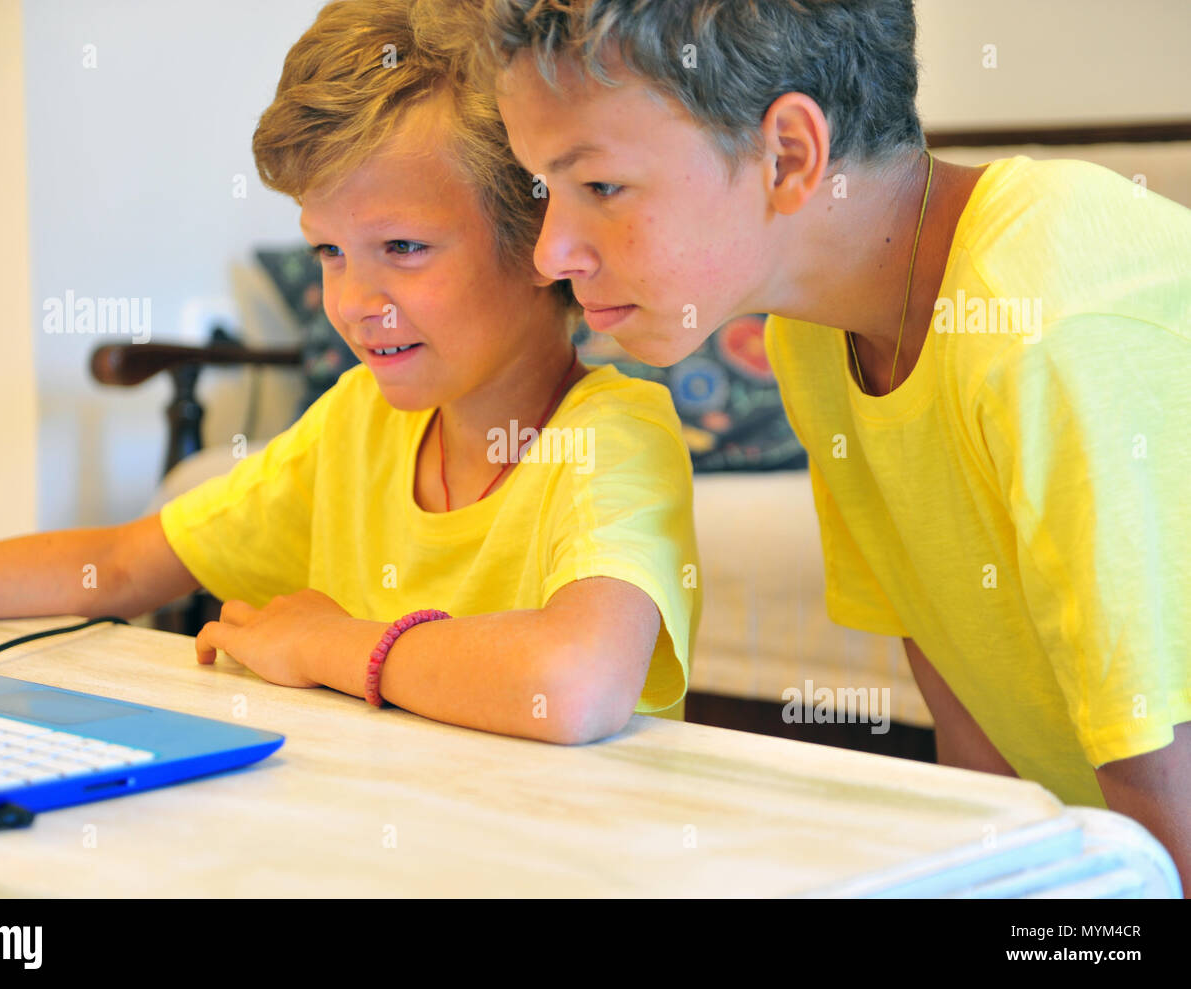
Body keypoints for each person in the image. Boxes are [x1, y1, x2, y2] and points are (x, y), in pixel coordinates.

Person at [479, 0, 1191, 884]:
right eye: (547, 190)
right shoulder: (813, 335)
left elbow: (1172, 833)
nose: (551, 253)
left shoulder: (1048, 317)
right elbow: (964, 688)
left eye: (602, 188)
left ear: (789, 155)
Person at [0, 0, 700, 745]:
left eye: (404, 248)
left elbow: (573, 682)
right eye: (330, 251)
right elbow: (126, 563)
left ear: (539, 238)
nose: (350, 301)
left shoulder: (611, 437)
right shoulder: (361, 423)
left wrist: (333, 643)